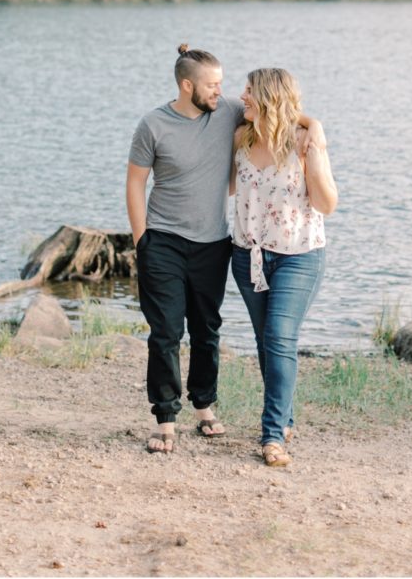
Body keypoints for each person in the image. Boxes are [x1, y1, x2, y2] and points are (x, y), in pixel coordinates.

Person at [127, 45, 325, 454]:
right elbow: (135, 183)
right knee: (165, 332)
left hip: (214, 244)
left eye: (223, 84)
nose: (224, 91)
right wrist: (141, 239)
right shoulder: (153, 125)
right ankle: (165, 418)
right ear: (187, 86)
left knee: (207, 329)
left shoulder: (229, 111)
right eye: (212, 85)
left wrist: (314, 126)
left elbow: (280, 108)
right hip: (162, 240)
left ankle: (205, 406)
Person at [231, 67, 338, 468]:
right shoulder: (241, 137)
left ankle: (273, 435)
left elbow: (327, 205)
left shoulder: (303, 143)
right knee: (267, 342)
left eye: (249, 90)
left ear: (268, 97)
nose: (242, 96)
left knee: (278, 337)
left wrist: (315, 148)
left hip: (299, 256)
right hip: (247, 256)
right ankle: (285, 419)